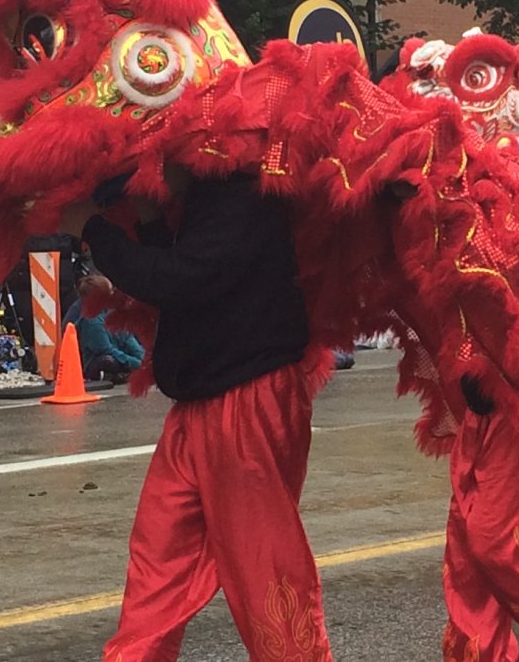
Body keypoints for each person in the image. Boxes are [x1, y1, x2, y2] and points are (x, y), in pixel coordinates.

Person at [60, 169, 333, 661]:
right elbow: (193, 273)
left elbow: (182, 278)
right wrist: (146, 220)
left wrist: (94, 229)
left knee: (261, 565)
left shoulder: (247, 193)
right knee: (157, 554)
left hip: (249, 398)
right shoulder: (211, 195)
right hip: (197, 405)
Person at [73, 275, 146, 384]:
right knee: (107, 360)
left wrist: (143, 359)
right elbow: (105, 349)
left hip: (121, 357)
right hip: (100, 362)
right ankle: (110, 376)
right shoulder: (92, 321)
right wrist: (135, 363)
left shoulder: (112, 313)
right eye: (110, 291)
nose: (113, 294)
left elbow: (128, 339)